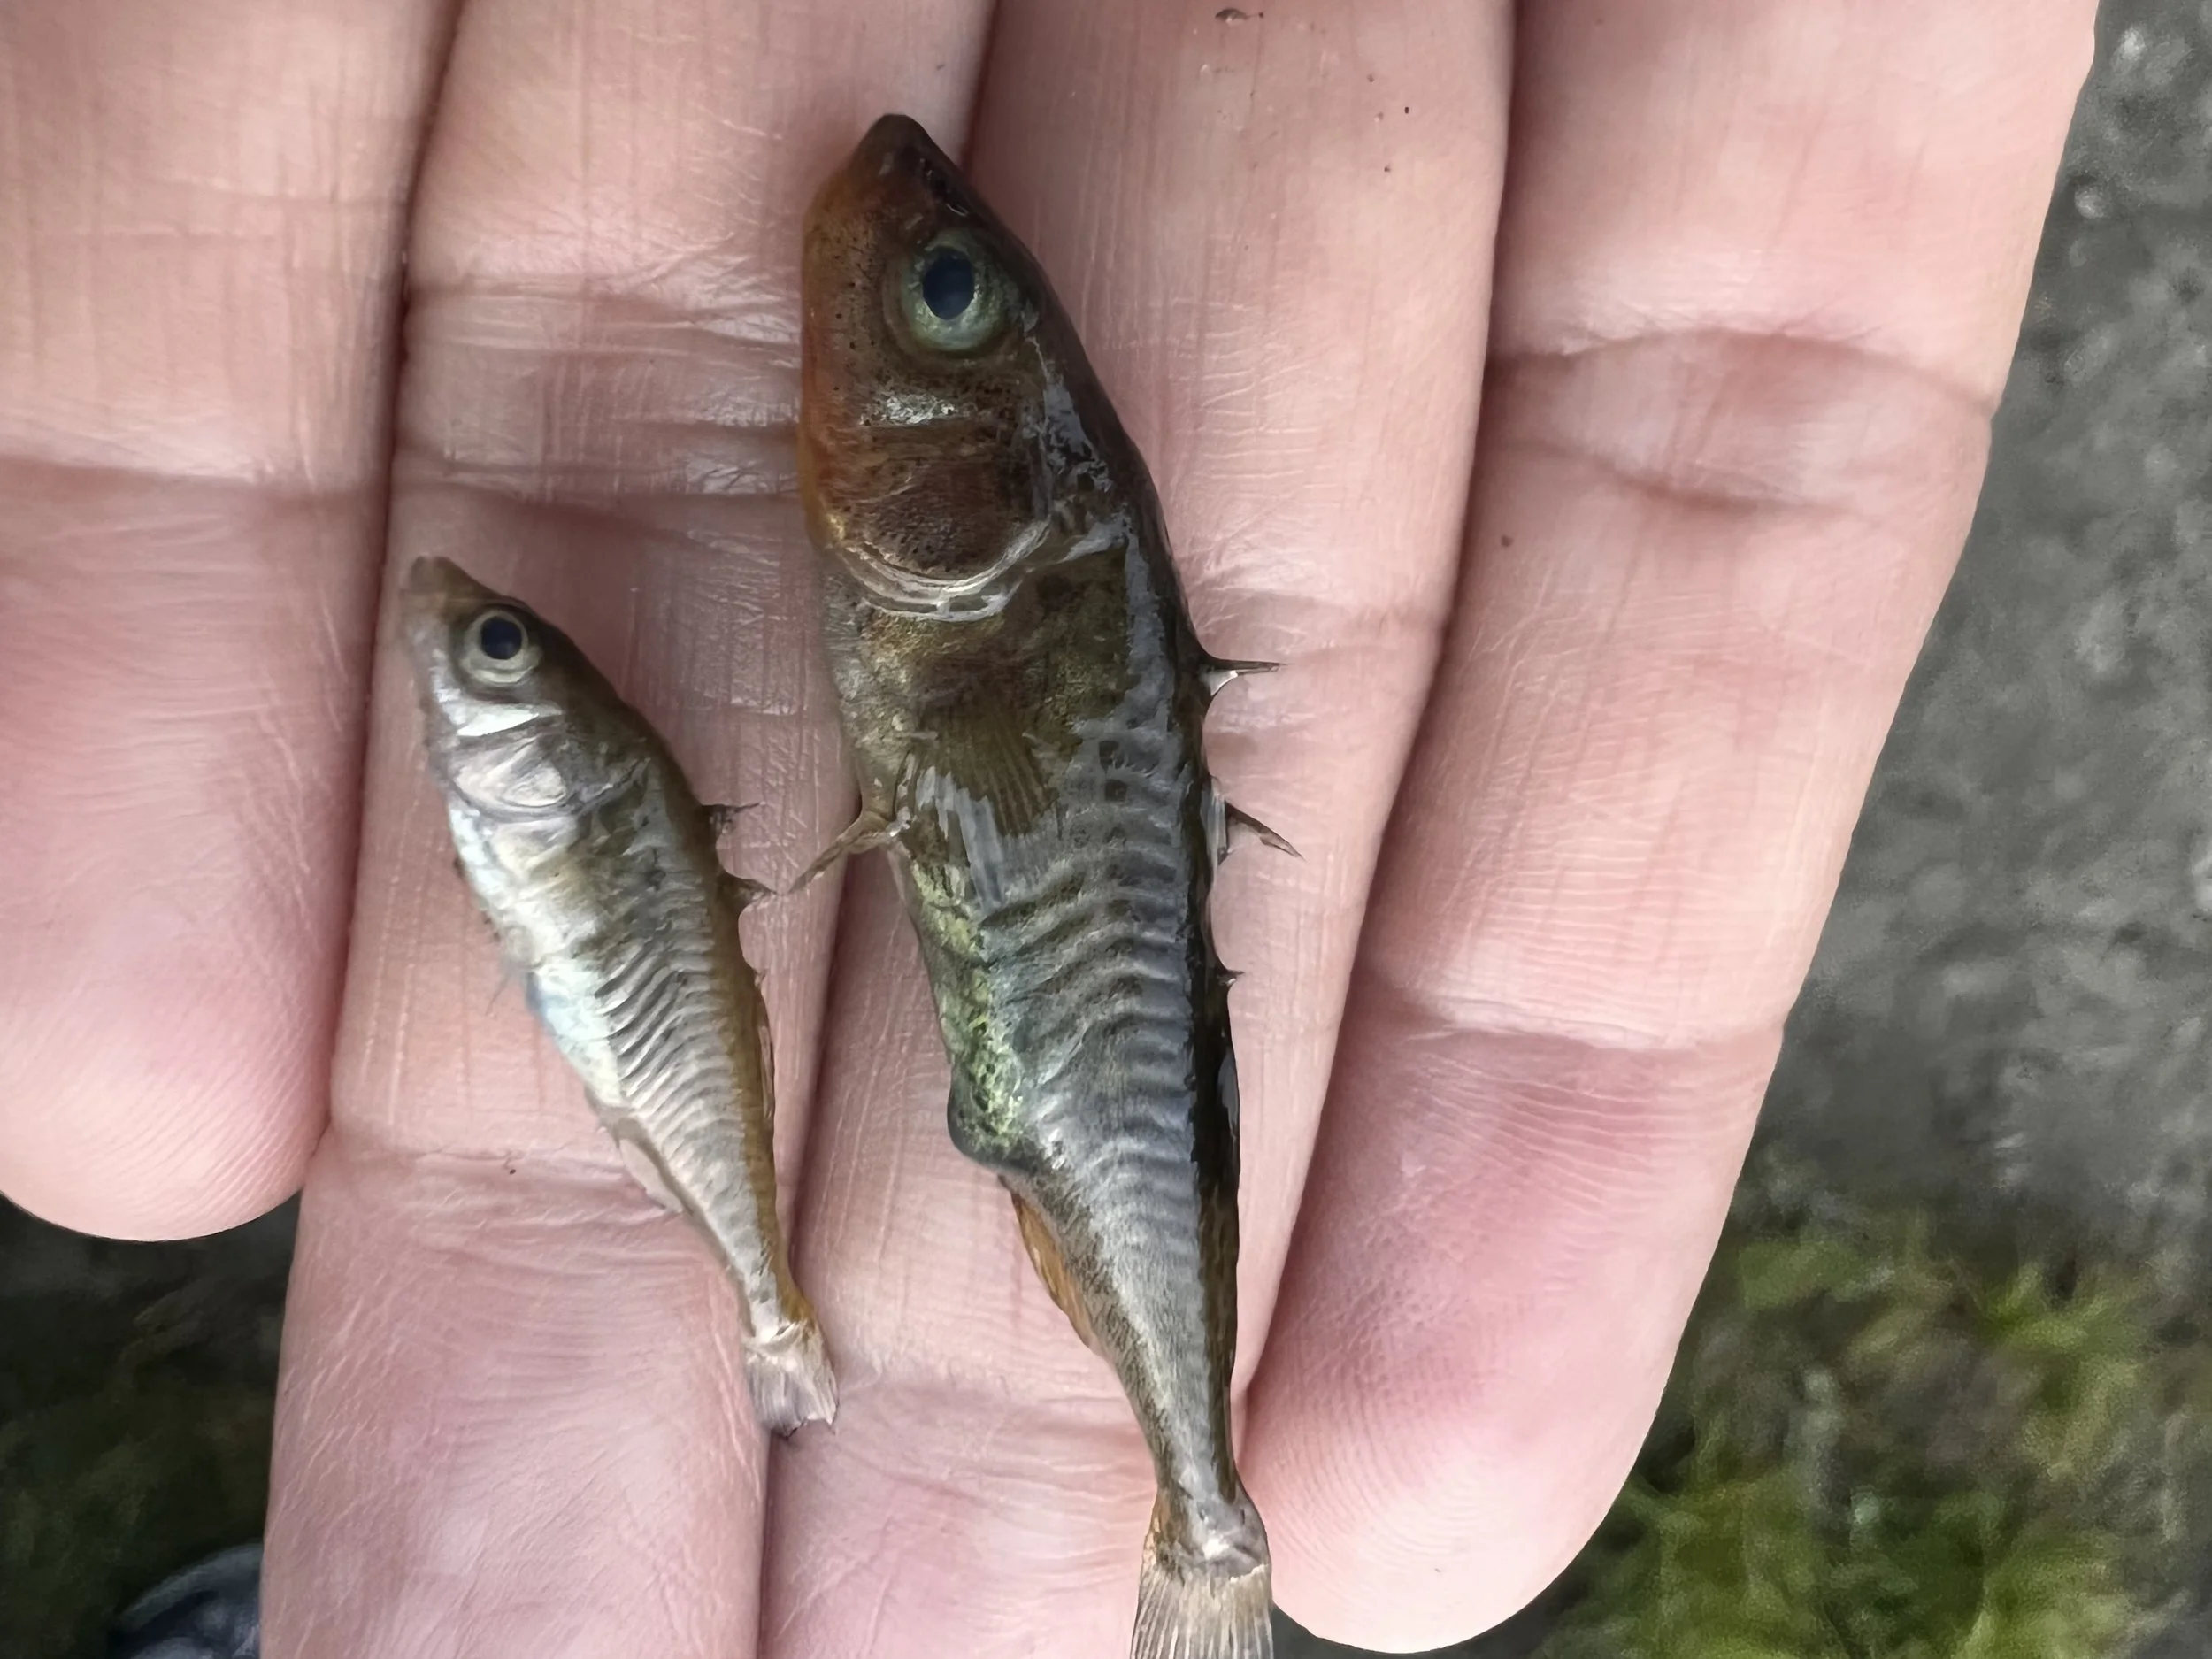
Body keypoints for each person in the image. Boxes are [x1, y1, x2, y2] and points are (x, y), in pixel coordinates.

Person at [0, 3, 2095, 1654]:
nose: (901, 268)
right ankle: (1195, 1501)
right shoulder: (976, 562)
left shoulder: (1017, 575)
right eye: (946, 304)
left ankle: (1200, 1521)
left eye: (939, 316)